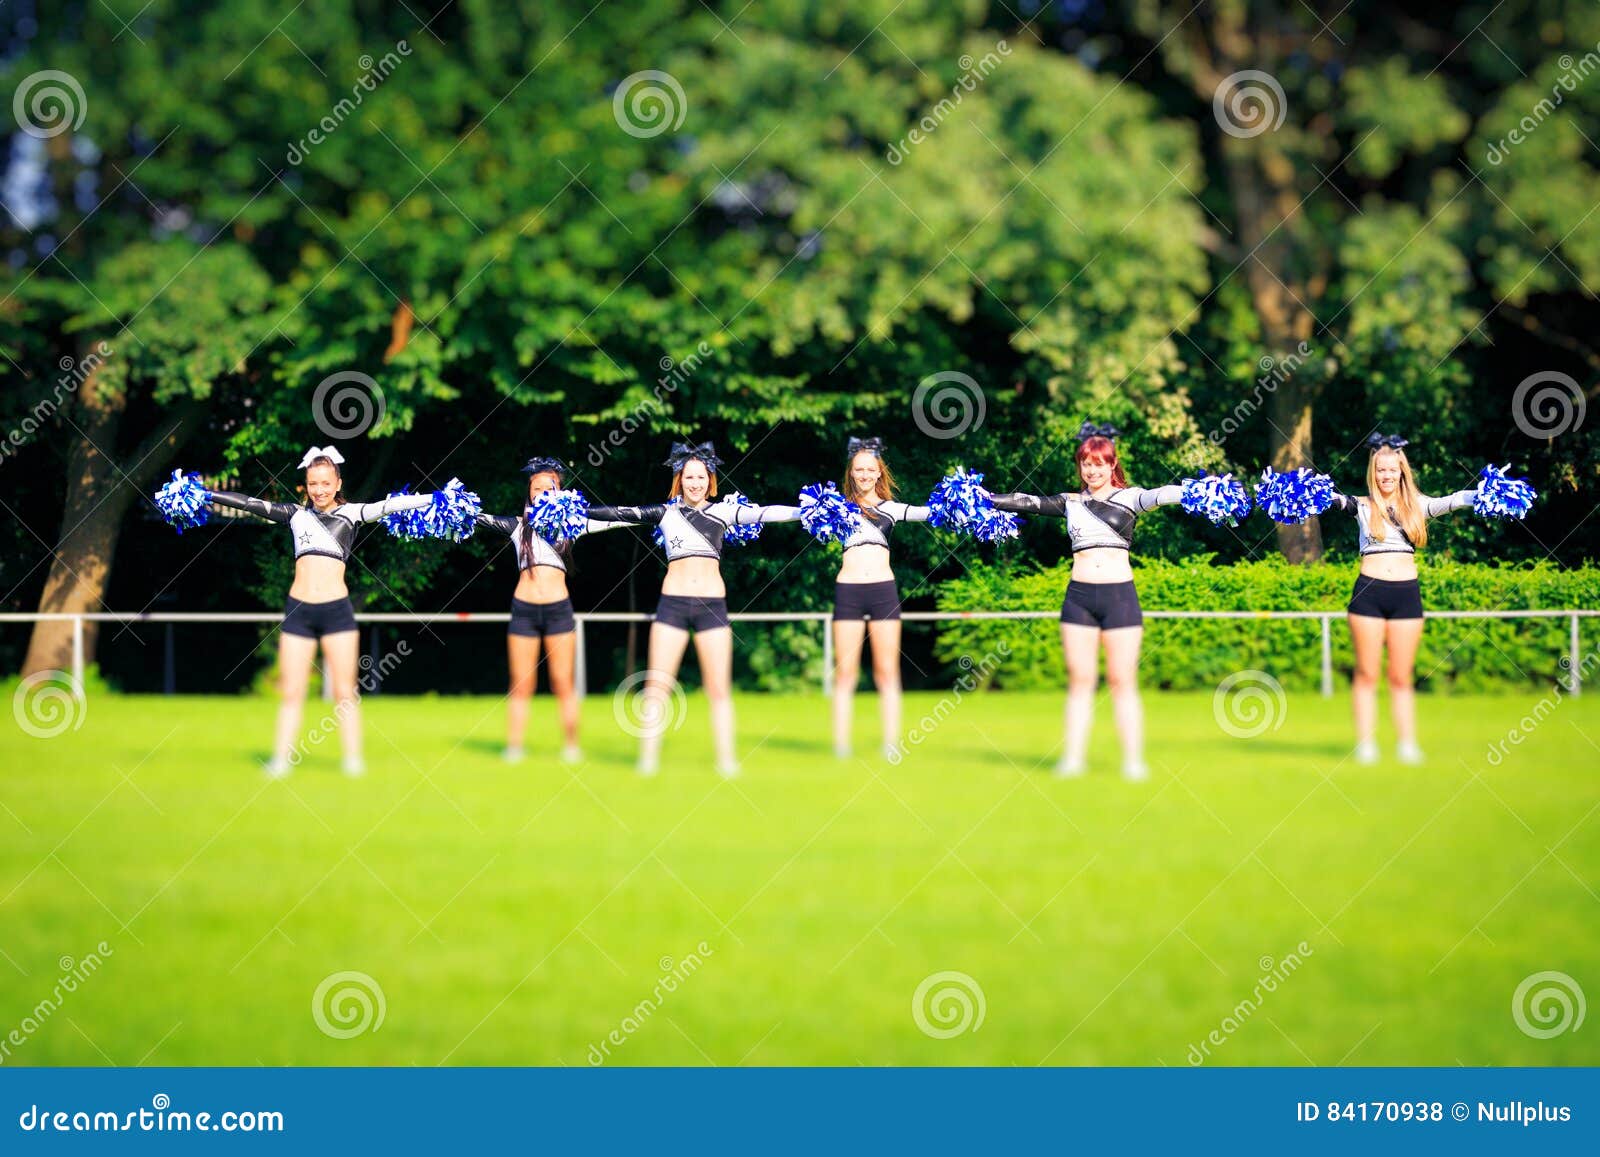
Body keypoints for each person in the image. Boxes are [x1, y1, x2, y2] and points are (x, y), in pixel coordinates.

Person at [207, 445, 435, 777]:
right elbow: (250, 504)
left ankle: (353, 759)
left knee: (345, 689)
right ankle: (281, 759)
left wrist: (436, 500)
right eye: (313, 484)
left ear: (338, 483)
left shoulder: (352, 514)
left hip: (336, 612)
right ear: (305, 485)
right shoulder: (295, 515)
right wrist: (205, 495)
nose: (319, 490)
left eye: (326, 483)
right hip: (298, 610)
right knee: (292, 689)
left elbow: (392, 505)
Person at [586, 440, 801, 776]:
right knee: (657, 684)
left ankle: (727, 760)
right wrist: (575, 510)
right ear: (679, 480)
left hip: (712, 607)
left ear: (710, 480)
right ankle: (647, 759)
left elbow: (766, 513)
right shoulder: (665, 513)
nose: (695, 483)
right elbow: (619, 513)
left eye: (701, 477)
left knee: (718, 687)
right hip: (671, 606)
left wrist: (808, 511)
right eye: (689, 477)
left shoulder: (724, 512)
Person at [985, 422, 1186, 780]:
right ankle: (1073, 759)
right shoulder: (1070, 502)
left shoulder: (1130, 498)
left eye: (1099, 463)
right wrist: (983, 498)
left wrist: (1195, 492)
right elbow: (1027, 502)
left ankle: (1133, 762)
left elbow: (1161, 494)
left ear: (1112, 465)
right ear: (1080, 466)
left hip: (1120, 596)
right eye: (1085, 463)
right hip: (1078, 598)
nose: (1092, 470)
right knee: (1080, 680)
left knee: (1121, 680)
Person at [1327, 433, 1480, 766]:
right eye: (1380, 470)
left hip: (1406, 596)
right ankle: (1366, 745)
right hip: (1368, 593)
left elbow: (1455, 500)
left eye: (1391, 470)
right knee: (1367, 673)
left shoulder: (1419, 506)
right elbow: (1334, 500)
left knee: (1400, 676)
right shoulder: (1363, 506)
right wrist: (1306, 492)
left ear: (1401, 472)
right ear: (1373, 472)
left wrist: (1483, 494)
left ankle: (1407, 744)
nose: (1385, 476)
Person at [474, 456, 629, 765]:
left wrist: (665, 513)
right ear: (529, 492)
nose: (543, 491)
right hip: (524, 611)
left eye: (550, 486)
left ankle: (572, 747)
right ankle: (514, 747)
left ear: (560, 491)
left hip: (559, 610)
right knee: (521, 682)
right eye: (537, 487)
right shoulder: (518, 528)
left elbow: (618, 516)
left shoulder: (574, 525)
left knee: (562, 680)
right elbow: (479, 517)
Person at [829, 436, 931, 760]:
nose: (863, 475)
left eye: (869, 469)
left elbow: (925, 513)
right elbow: (797, 515)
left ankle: (891, 743)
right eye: (858, 469)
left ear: (879, 473)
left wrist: (962, 507)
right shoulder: (836, 509)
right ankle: (841, 745)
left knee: (886, 671)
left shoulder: (890, 509)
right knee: (845, 673)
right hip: (848, 590)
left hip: (883, 591)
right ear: (851, 472)